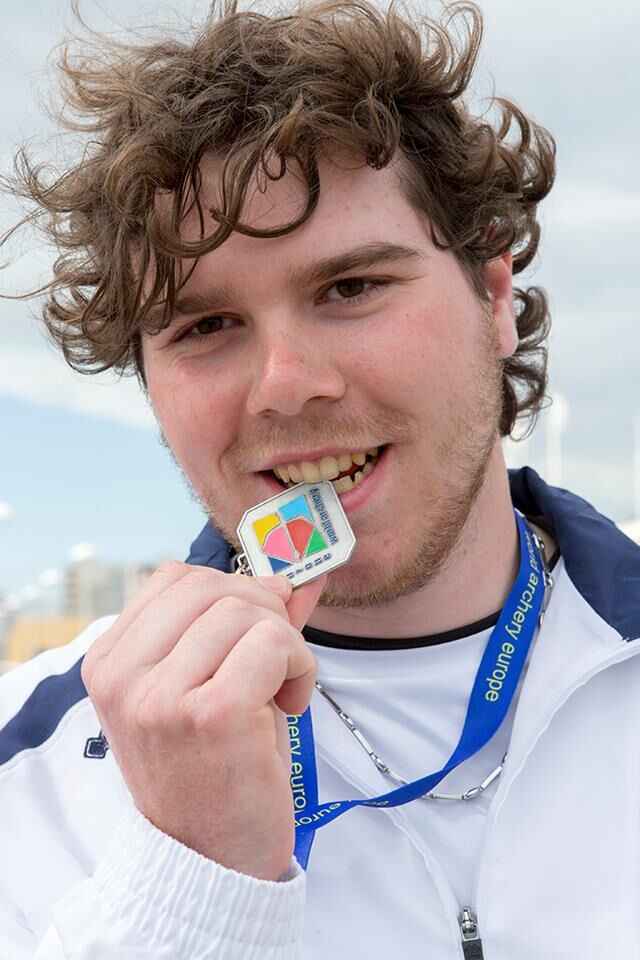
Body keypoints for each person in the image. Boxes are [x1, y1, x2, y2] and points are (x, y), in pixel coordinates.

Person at [1, 1, 639, 957]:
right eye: (204, 327)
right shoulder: (33, 770)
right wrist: (189, 885)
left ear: (495, 298)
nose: (286, 387)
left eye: (351, 288)